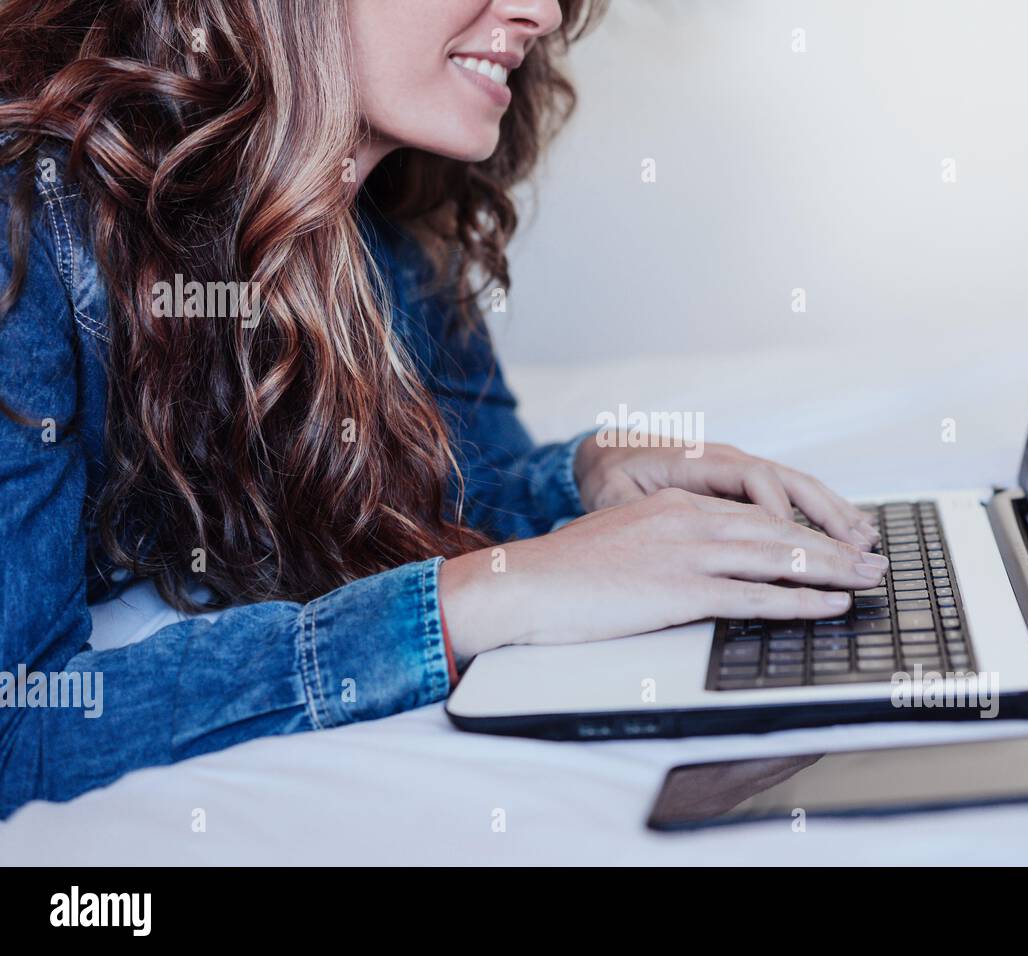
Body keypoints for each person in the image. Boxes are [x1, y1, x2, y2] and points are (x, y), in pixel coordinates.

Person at [0, 0, 886, 818]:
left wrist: (584, 480)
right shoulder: (25, 222)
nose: (539, 12)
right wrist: (470, 605)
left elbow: (450, 502)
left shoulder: (387, 210)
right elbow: (17, 730)